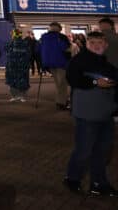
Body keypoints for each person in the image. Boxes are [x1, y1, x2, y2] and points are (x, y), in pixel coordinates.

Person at [63, 31, 118, 197]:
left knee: (102, 152)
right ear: (86, 44)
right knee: (84, 150)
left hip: (106, 114)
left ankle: (98, 183)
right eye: (92, 42)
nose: (96, 45)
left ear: (106, 45)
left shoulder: (108, 65)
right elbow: (73, 79)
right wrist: (95, 81)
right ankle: (72, 178)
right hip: (87, 115)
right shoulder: (79, 61)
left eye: (99, 42)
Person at [40, 22, 74, 111]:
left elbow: (38, 50)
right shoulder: (61, 37)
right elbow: (66, 49)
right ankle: (61, 102)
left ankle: (60, 100)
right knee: (62, 83)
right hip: (61, 62)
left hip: (49, 63)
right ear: (59, 28)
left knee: (58, 83)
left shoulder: (43, 37)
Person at [5, 29, 31, 102]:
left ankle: (16, 96)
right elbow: (28, 54)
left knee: (13, 81)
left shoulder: (10, 43)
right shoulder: (24, 43)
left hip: (14, 65)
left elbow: (7, 52)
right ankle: (21, 96)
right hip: (20, 65)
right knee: (22, 80)